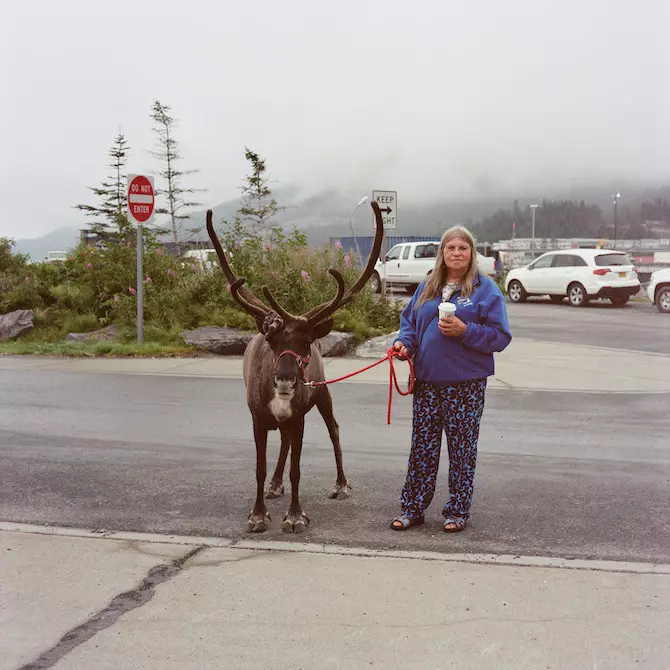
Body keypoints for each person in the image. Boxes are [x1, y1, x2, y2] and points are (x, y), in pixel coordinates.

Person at [391, 226, 512, 533]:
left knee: (461, 449)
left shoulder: (486, 290)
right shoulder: (428, 287)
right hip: (427, 381)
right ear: (442, 253)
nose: (457, 253)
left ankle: (457, 511)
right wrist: (405, 344)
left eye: (463, 248)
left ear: (472, 254)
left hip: (466, 385)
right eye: (451, 248)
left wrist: (466, 331)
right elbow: (410, 324)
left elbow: (500, 337)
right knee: (422, 448)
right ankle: (413, 508)